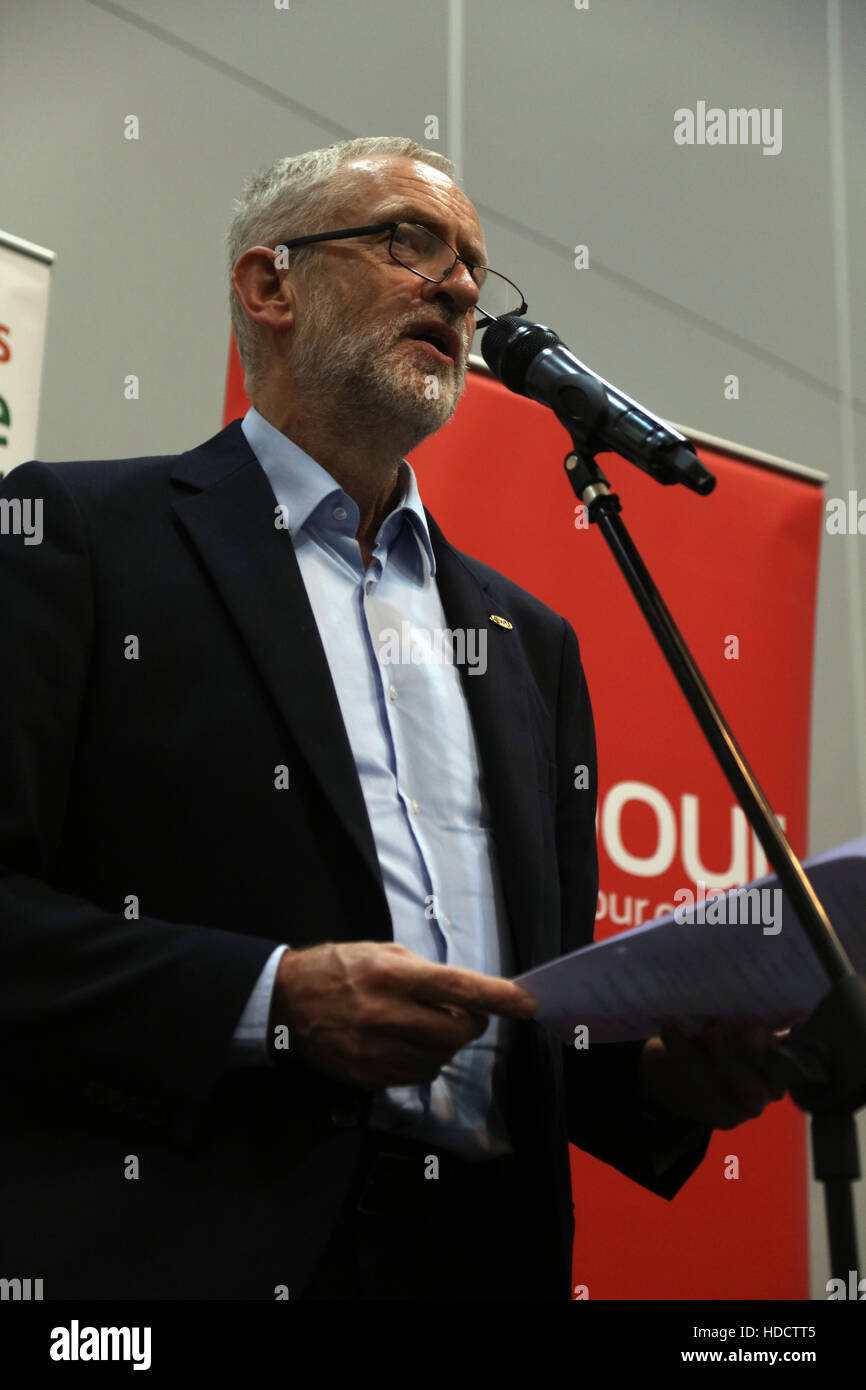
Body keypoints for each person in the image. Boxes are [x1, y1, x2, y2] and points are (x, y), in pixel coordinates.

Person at [0, 136, 785, 1301]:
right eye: (407, 241)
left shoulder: (533, 647)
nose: (461, 288)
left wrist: (672, 1081)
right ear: (270, 286)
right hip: (184, 1246)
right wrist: (271, 998)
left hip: (484, 1260)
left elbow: (542, 1020)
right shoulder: (79, 535)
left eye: (473, 265)